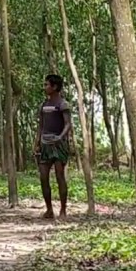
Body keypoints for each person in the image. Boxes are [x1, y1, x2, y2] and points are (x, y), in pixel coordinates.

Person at [36, 74, 74, 219]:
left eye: (47, 85)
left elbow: (68, 123)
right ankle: (49, 209)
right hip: (45, 145)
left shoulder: (63, 104)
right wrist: (37, 143)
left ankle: (63, 210)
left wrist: (61, 136)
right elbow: (40, 126)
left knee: (59, 176)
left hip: (59, 145)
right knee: (43, 177)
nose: (44, 87)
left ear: (55, 87)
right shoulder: (43, 105)